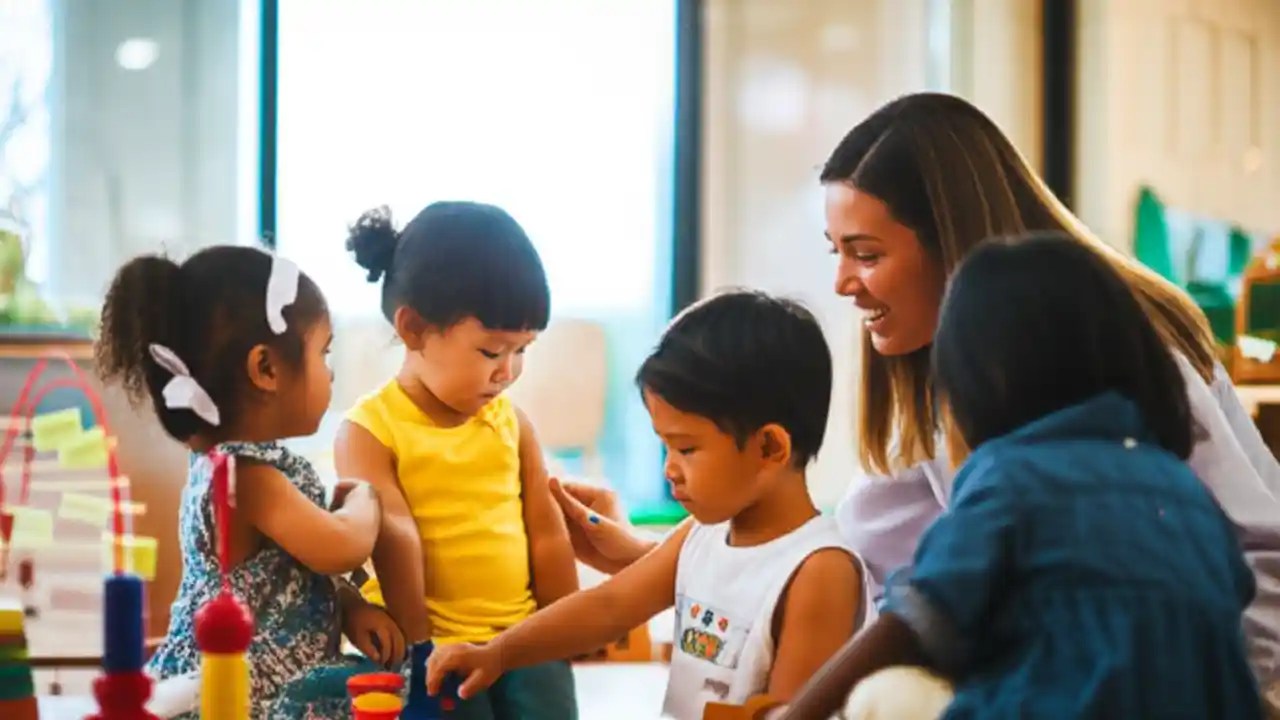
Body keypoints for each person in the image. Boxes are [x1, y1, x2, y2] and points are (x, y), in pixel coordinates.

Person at [551, 91, 1280, 707]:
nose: (843, 282)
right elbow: (857, 563)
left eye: (866, 254)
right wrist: (671, 563)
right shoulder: (938, 395)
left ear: (957, 249)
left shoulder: (1095, 388)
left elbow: (1259, 562)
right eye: (836, 250)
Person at [780, 232, 1262, 718]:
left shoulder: (1012, 480)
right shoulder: (1184, 490)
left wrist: (795, 715)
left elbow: (914, 624)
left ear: (980, 381)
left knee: (887, 694)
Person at [424, 290, 867, 720]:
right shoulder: (702, 533)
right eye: (665, 447)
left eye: (686, 448)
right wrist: (498, 653)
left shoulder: (819, 569)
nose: (669, 469)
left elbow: (792, 711)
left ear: (770, 447)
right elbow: (609, 606)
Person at [96, 246, 402, 719]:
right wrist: (365, 496)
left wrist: (347, 606)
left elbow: (286, 576)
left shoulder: (235, 466)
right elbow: (339, 547)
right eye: (323, 353)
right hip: (242, 696)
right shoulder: (246, 478)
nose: (330, 372)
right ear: (266, 369)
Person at [335, 202, 580, 719]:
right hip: (435, 652)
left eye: (522, 350)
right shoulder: (370, 431)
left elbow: (546, 529)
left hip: (525, 642)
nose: (508, 372)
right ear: (413, 328)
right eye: (492, 352)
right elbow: (392, 538)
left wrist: (567, 626)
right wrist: (418, 648)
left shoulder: (512, 423)